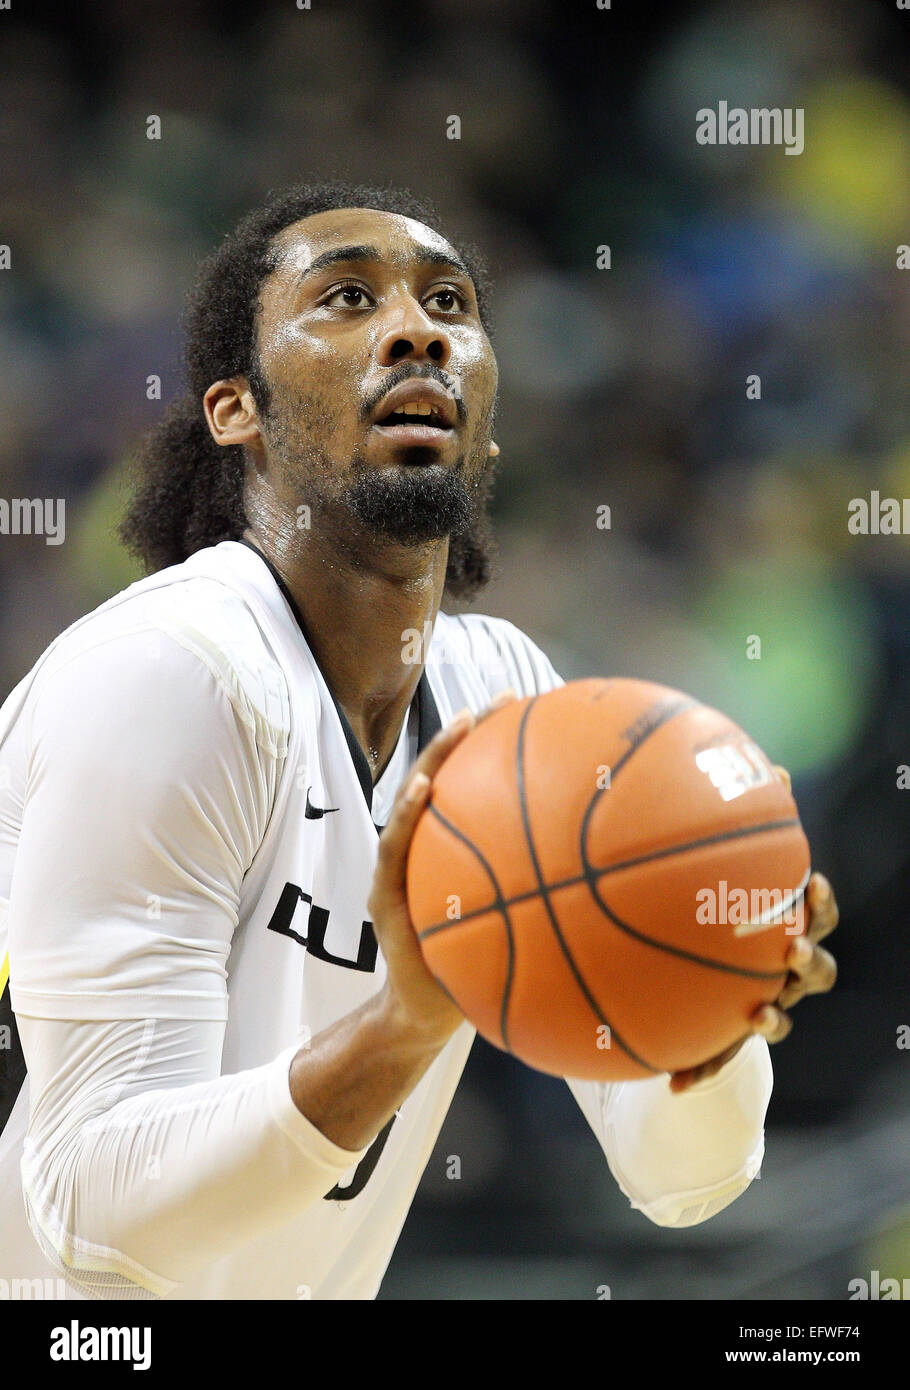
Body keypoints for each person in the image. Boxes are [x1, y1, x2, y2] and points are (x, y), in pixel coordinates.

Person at [0, 184, 838, 1300]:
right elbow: (92, 1211)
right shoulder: (173, 674)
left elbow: (681, 1179)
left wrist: (707, 1004)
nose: (418, 327)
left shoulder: (504, 700)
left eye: (449, 301)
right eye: (347, 296)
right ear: (233, 409)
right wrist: (402, 1027)